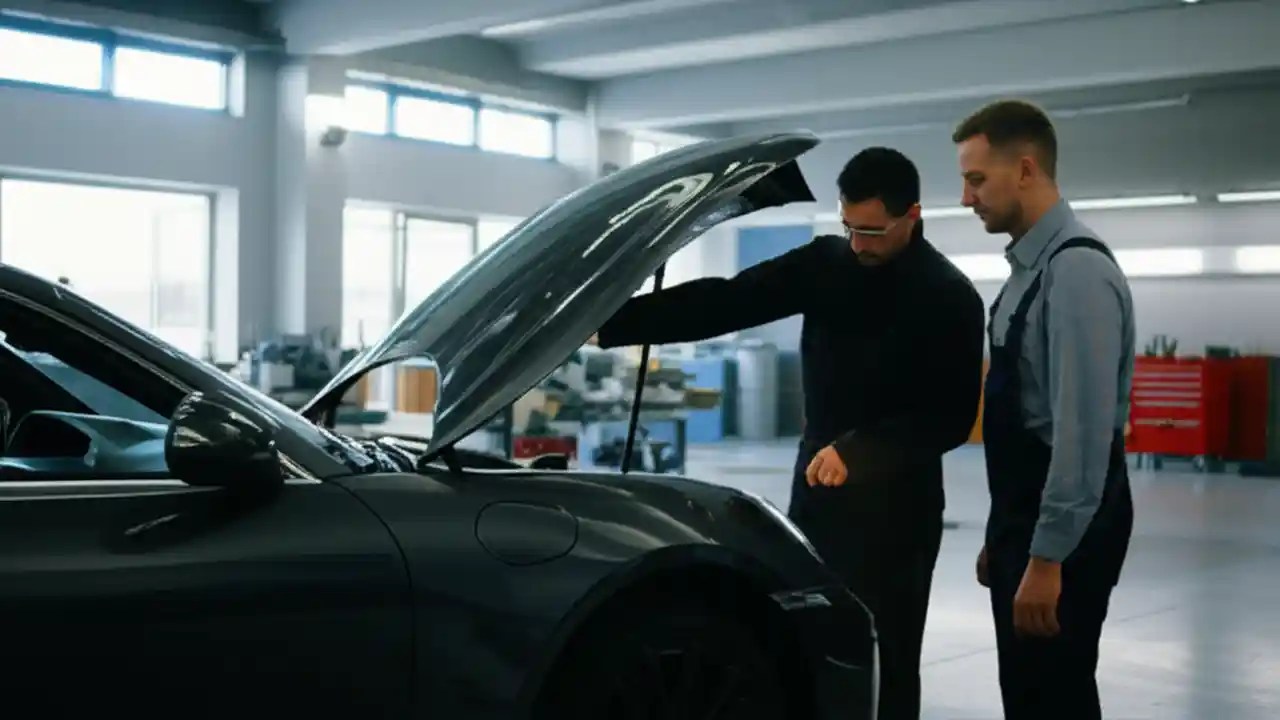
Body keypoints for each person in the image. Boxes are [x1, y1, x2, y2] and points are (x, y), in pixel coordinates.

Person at [594, 147, 986, 719]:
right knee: (805, 644)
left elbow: (949, 416)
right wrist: (611, 324)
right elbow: (726, 301)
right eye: (849, 226)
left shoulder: (950, 296)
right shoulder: (825, 265)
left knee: (890, 658)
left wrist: (862, 452)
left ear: (913, 215)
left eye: (873, 232)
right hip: (817, 495)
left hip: (900, 512)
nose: (859, 244)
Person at [951, 99, 1136, 720]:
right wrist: (1000, 539)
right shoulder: (1027, 272)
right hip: (1025, 525)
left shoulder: (1075, 272)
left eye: (976, 179)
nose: (967, 197)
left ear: (1025, 170)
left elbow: (1079, 436)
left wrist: (1047, 558)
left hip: (1067, 537)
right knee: (1028, 695)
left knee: (1053, 698)